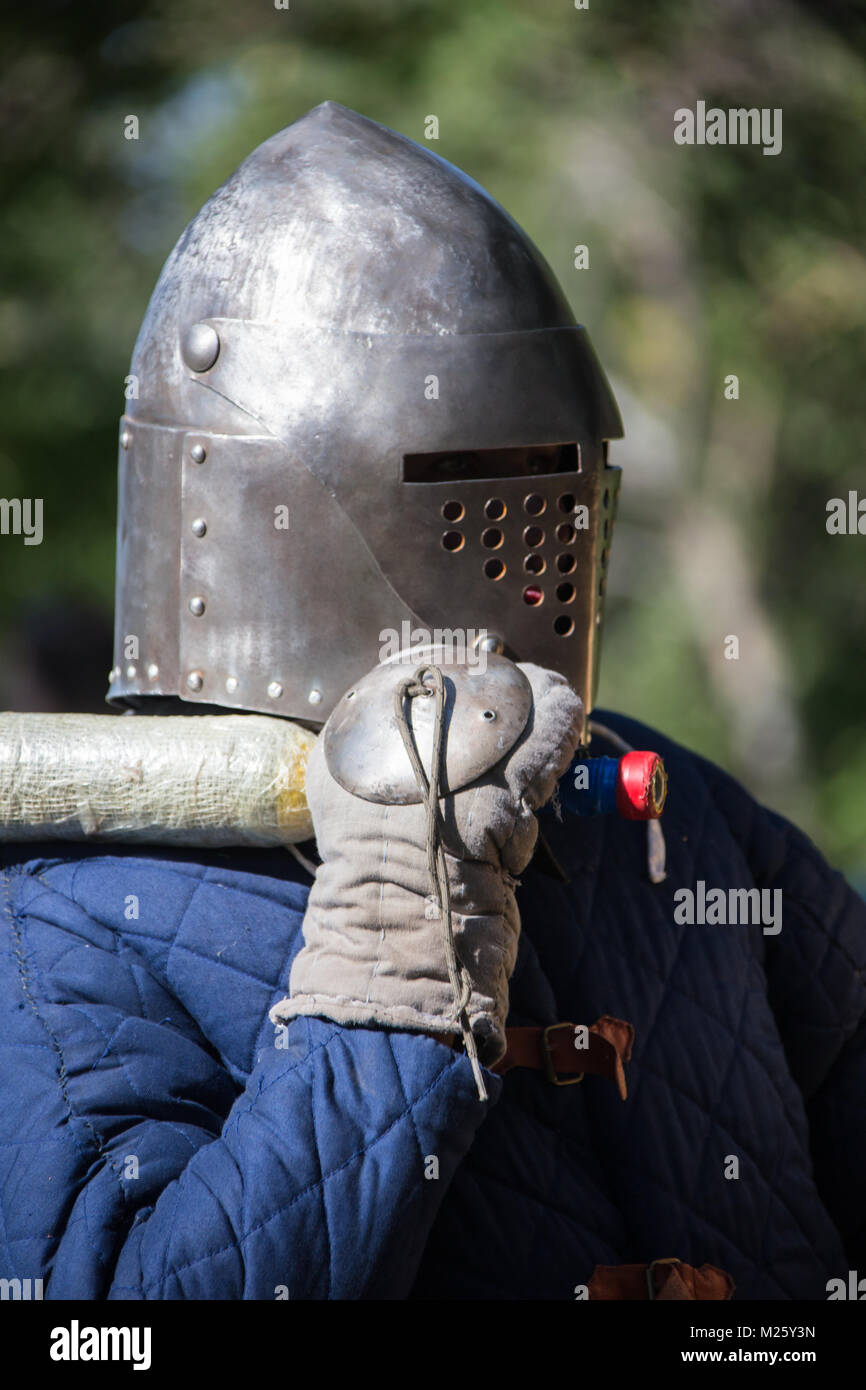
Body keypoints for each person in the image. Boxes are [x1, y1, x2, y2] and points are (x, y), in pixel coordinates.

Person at [1, 102, 863, 1302]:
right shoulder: (69, 932)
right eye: (473, 493)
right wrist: (388, 960)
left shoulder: (675, 818)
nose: (537, 568)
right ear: (268, 509)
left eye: (556, 484)